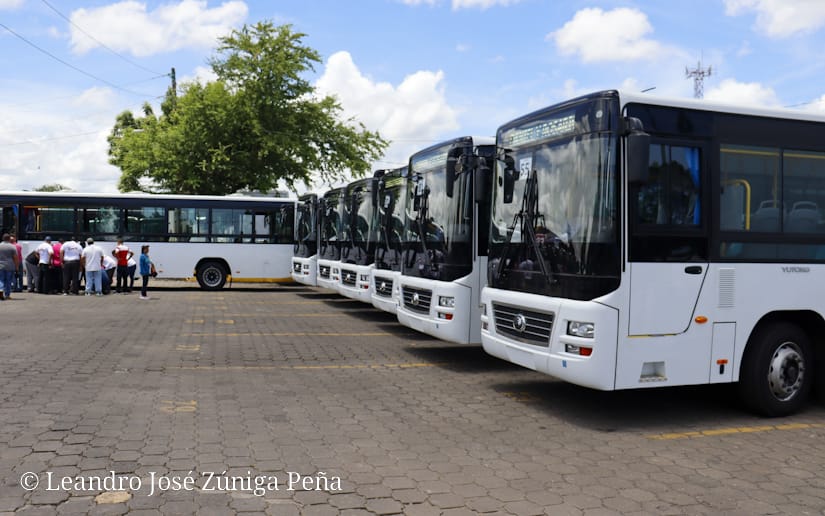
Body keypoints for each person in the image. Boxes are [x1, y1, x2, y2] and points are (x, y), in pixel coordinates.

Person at [0, 233, 20, 301]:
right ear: (9, 239)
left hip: (0, 266)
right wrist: (17, 267)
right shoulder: (12, 247)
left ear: (2, 238)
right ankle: (7, 295)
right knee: (8, 281)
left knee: (1, 279)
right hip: (10, 266)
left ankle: (0, 290)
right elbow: (15, 258)